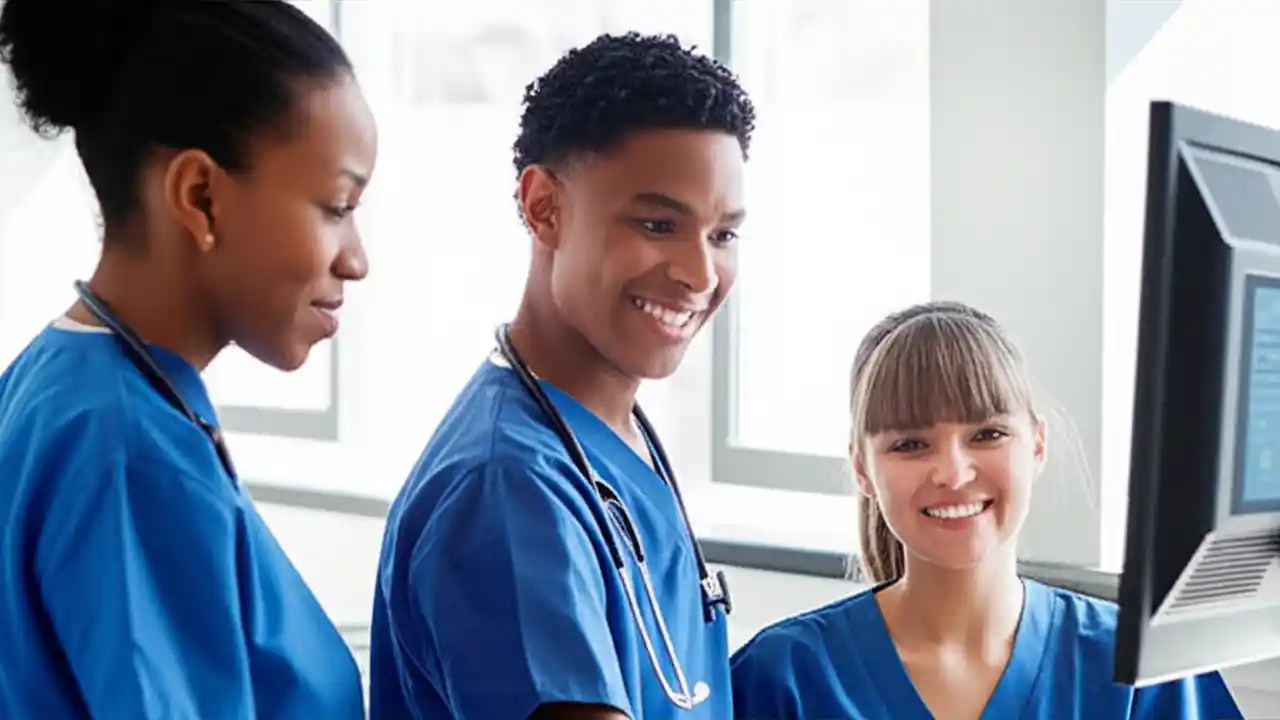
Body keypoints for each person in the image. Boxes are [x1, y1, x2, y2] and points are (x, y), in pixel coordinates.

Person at [0, 1, 376, 717]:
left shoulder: (53, 387)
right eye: (337, 206)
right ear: (200, 197)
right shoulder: (131, 451)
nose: (355, 260)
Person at [369, 31, 755, 720]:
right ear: (544, 206)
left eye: (722, 235)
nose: (700, 274)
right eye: (658, 224)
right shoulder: (509, 489)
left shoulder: (608, 434)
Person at [729, 301, 1244, 719]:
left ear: (1037, 444)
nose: (953, 474)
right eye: (910, 445)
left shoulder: (1141, 670)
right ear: (862, 469)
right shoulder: (781, 679)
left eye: (988, 434)